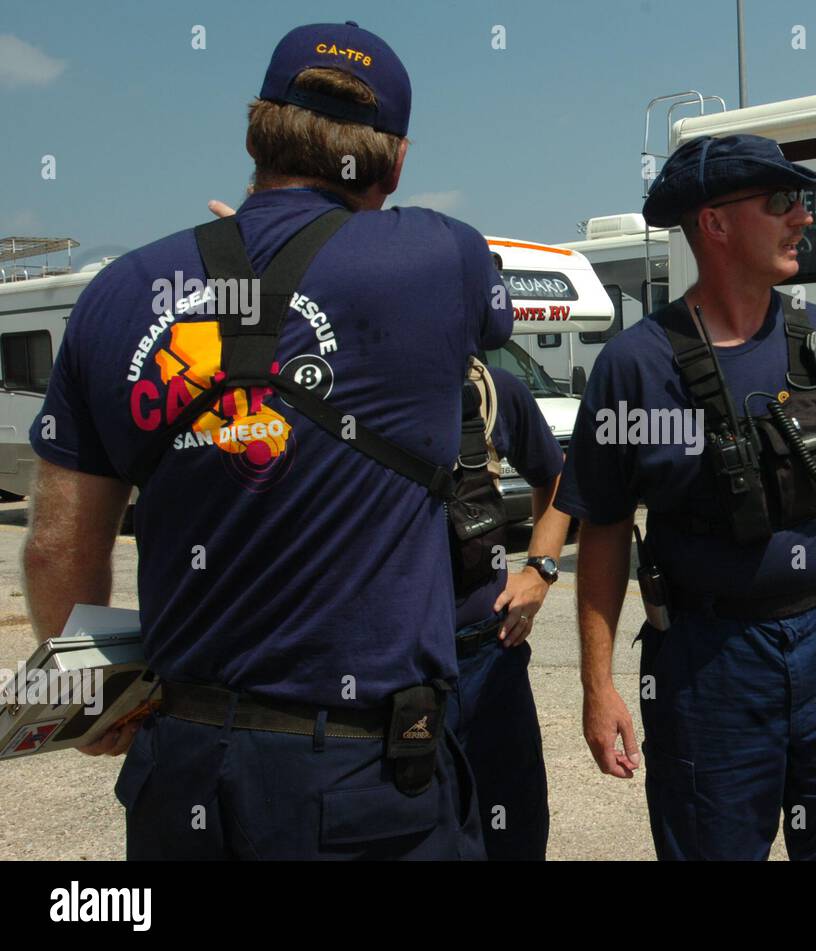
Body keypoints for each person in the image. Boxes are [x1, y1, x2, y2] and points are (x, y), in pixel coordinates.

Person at [21, 21, 512, 860]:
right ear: (393, 162)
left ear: (256, 134)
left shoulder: (118, 293)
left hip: (183, 766)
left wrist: (91, 692)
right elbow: (480, 334)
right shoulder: (443, 256)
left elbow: (56, 540)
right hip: (364, 780)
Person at [555, 134, 816, 861]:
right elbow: (602, 532)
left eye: (801, 201)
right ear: (714, 224)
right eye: (780, 201)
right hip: (709, 662)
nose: (803, 218)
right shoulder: (637, 367)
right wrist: (599, 688)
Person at [444, 361, 569, 861]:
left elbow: (556, 475)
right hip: (390, 672)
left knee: (514, 836)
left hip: (488, 658)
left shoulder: (489, 389)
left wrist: (540, 569)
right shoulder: (347, 380)